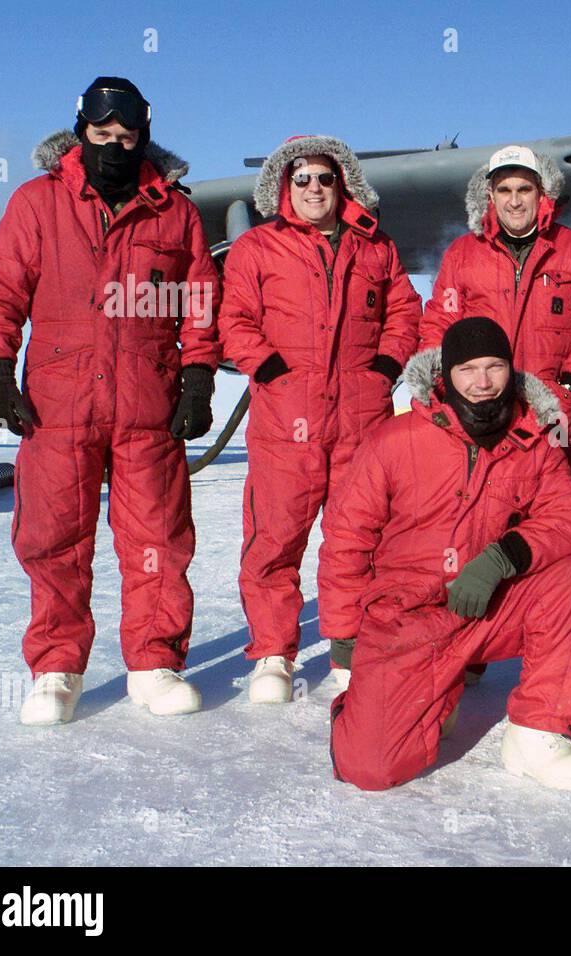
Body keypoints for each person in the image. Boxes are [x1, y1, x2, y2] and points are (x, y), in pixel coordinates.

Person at [0, 77, 220, 724]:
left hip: (148, 402)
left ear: (144, 135)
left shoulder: (174, 212)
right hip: (58, 401)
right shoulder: (37, 203)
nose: (115, 147)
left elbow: (198, 305)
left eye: (127, 137)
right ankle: (56, 669)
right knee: (53, 537)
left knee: (158, 538)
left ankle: (155, 664)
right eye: (103, 136)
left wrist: (197, 382)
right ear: (81, 131)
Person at [318, 318, 571, 791]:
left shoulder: (534, 439)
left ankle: (537, 732)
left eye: (495, 367)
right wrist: (345, 634)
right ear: (444, 375)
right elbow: (346, 539)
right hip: (406, 619)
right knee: (370, 770)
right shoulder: (393, 440)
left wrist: (503, 557)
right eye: (468, 369)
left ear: (510, 371)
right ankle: (386, 701)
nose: (482, 382)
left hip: (485, 607)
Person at [218, 134, 421, 702]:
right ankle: (271, 656)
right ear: (286, 186)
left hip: (361, 418)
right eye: (302, 178)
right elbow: (233, 318)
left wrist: (384, 365)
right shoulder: (259, 248)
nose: (314, 188)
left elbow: (406, 310)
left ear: (342, 184)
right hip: (287, 420)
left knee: (355, 540)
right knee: (274, 539)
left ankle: (349, 649)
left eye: (324, 178)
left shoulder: (374, 248)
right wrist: (271, 369)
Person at [420, 144, 571, 481]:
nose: (514, 201)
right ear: (490, 195)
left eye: (524, 189)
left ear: (542, 193)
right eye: (504, 190)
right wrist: (444, 384)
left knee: (560, 514)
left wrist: (570, 383)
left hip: (553, 408)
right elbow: (439, 323)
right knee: (484, 509)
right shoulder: (462, 255)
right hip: (482, 405)